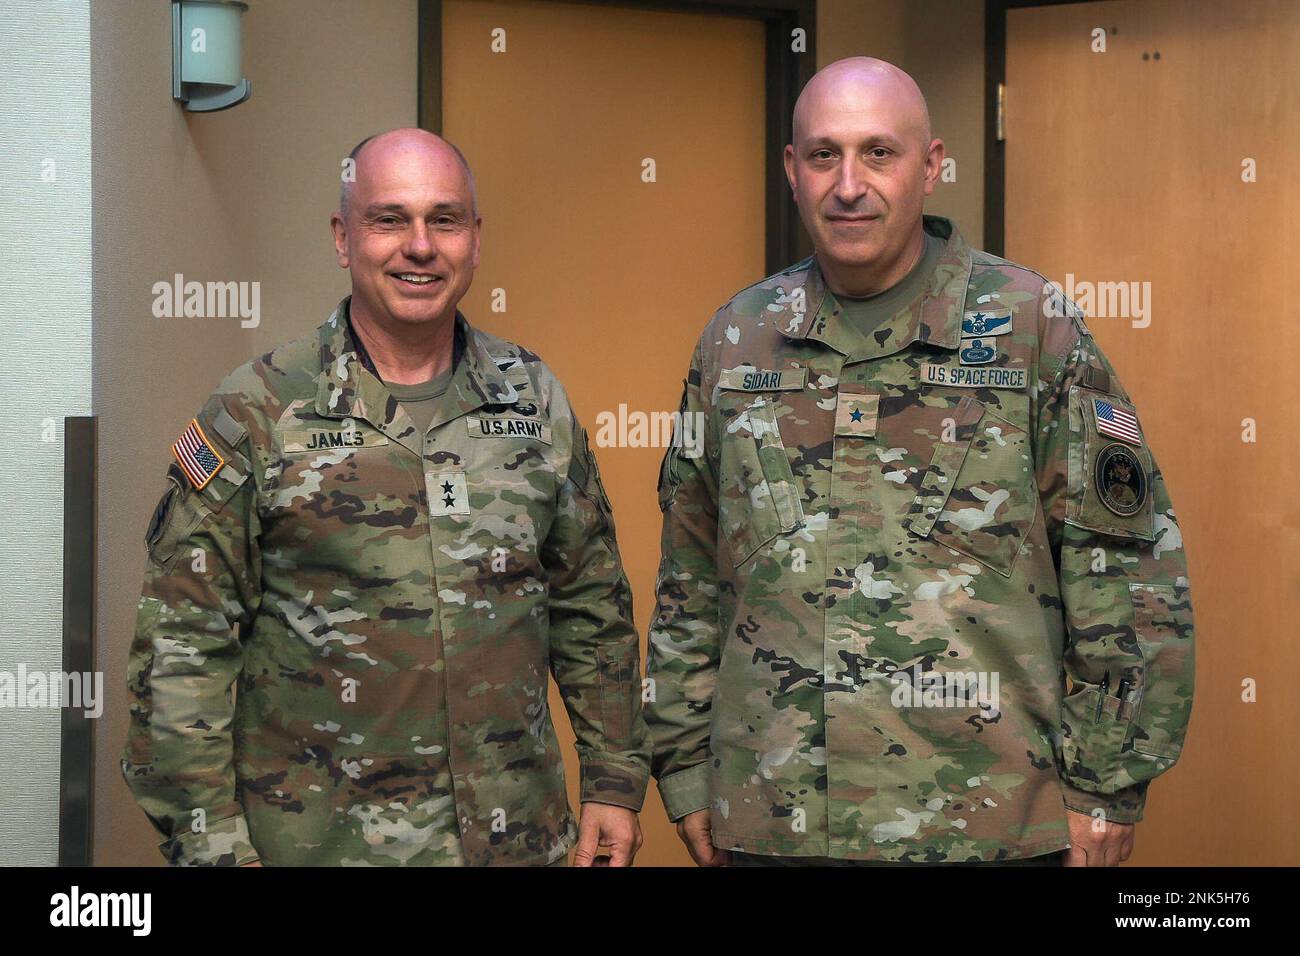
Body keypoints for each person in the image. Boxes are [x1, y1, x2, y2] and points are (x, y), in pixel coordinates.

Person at [645, 58, 1194, 867]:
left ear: (931, 166)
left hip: (987, 823)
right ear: (792, 169)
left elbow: (1126, 570)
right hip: (775, 819)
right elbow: (689, 575)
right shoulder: (737, 338)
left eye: (879, 153)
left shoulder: (1032, 327)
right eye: (824, 155)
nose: (849, 186)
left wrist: (1107, 786)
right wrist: (685, 769)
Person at [122, 128, 649, 866]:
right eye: (389, 219)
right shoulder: (259, 409)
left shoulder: (532, 397)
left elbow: (592, 609)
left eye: (444, 219)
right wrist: (214, 850)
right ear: (344, 238)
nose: (420, 246)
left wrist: (614, 780)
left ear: (475, 239)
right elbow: (182, 652)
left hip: (517, 843)